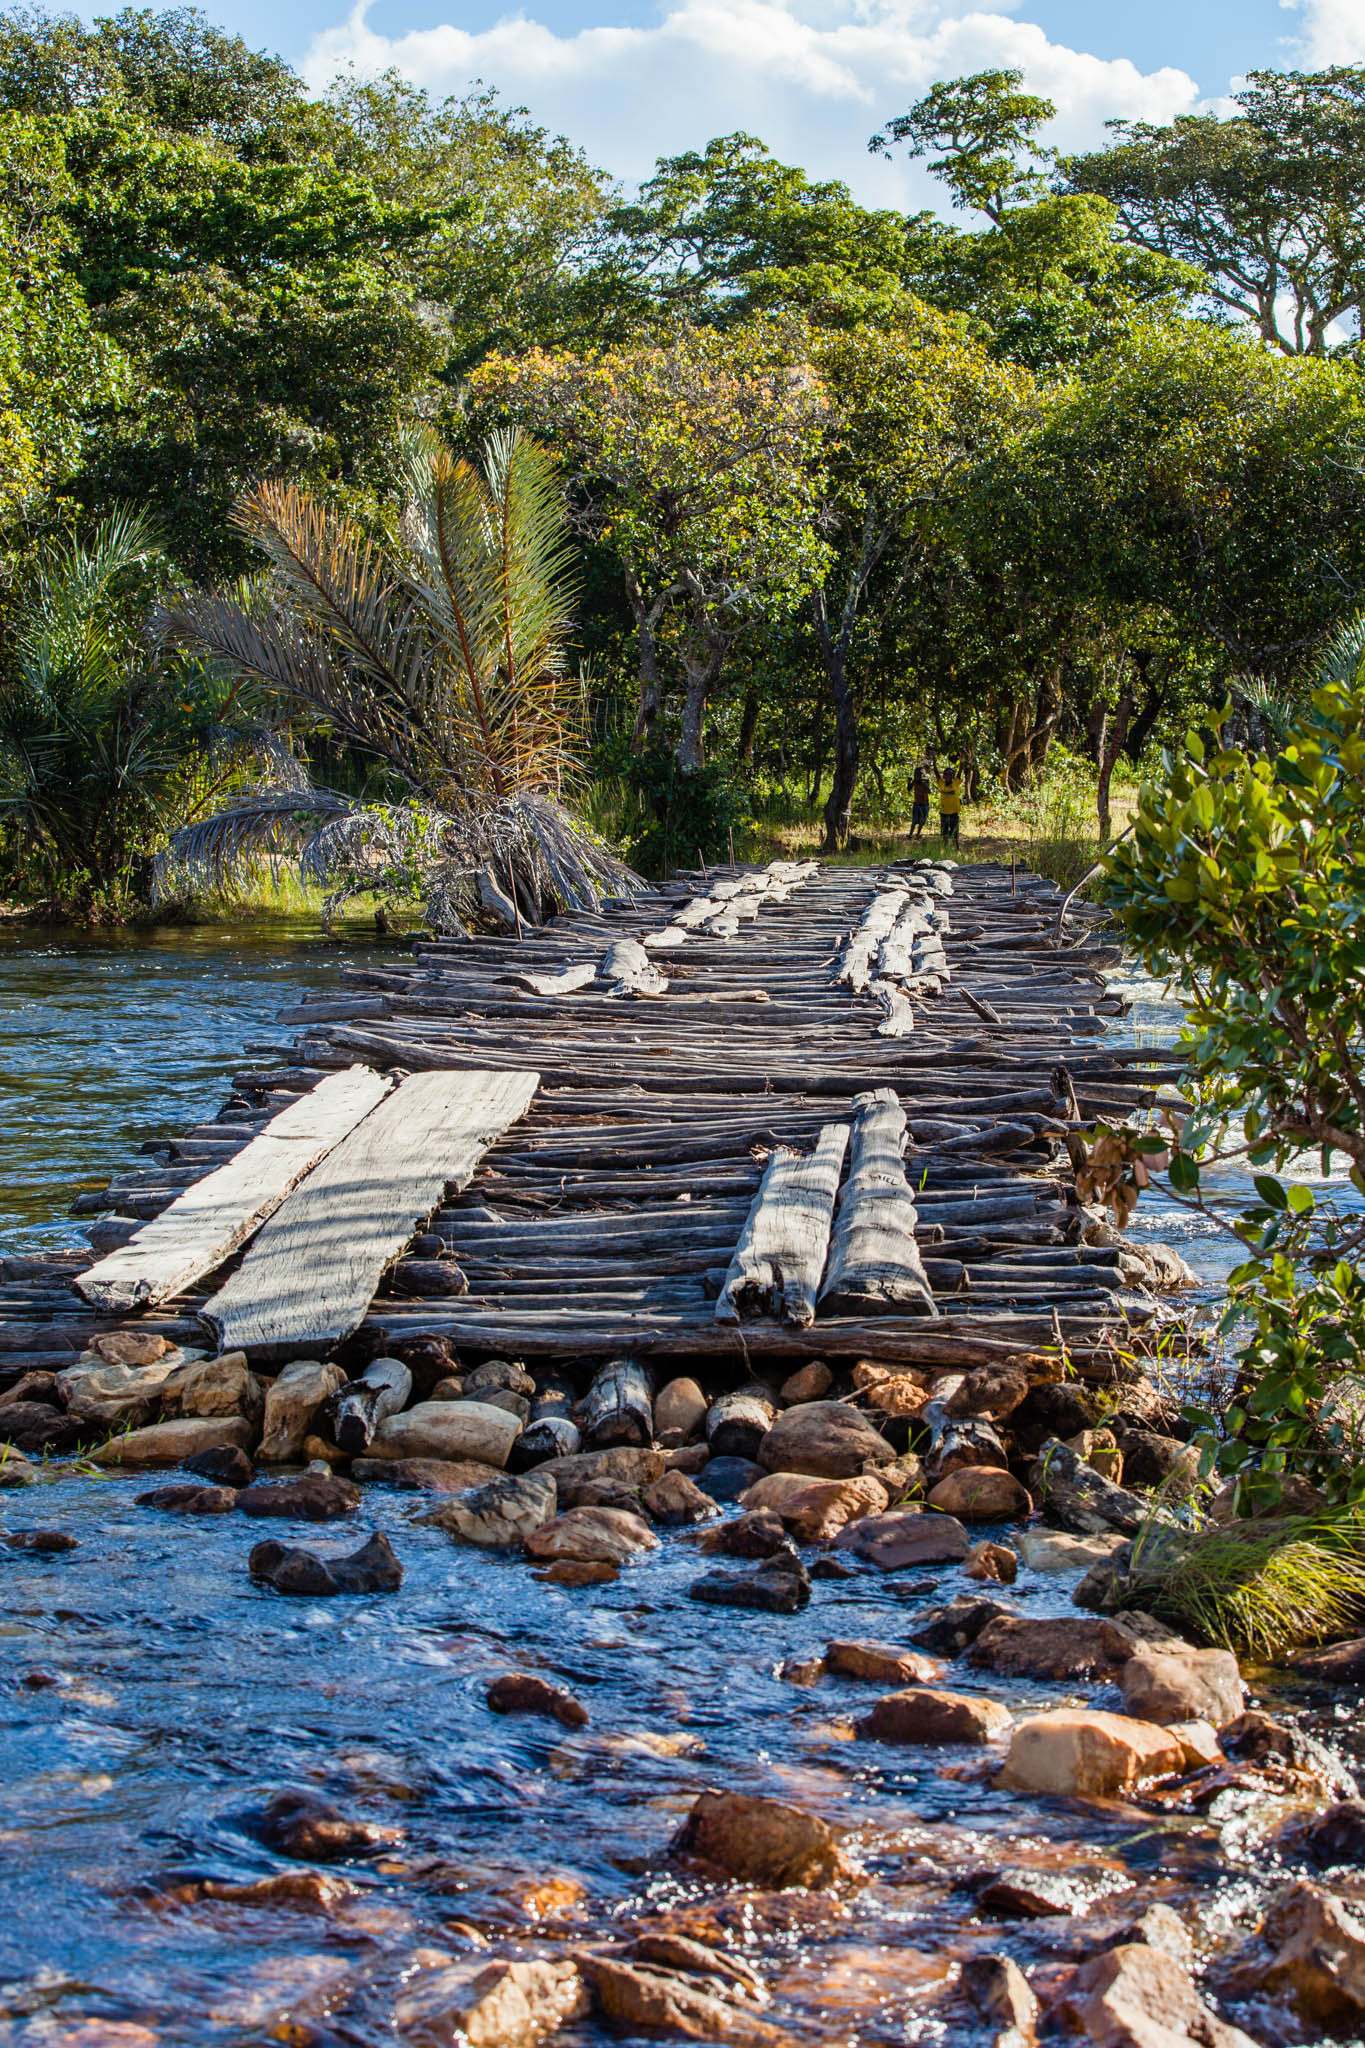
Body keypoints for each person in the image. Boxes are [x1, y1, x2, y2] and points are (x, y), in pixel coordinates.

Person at [936, 761, 961, 846]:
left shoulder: (955, 783)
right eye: (946, 775)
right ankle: (944, 848)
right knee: (944, 832)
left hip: (954, 812)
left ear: (953, 776)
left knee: (955, 831)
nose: (948, 777)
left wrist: (962, 762)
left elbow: (960, 773)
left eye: (950, 775)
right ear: (944, 776)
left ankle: (956, 847)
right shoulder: (941, 784)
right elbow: (936, 773)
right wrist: (934, 759)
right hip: (944, 812)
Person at [909, 762, 930, 838]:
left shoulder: (925, 781)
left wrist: (925, 784)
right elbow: (909, 789)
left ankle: (918, 834)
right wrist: (909, 782)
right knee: (914, 820)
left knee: (922, 821)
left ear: (922, 775)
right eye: (916, 775)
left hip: (924, 804)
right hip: (917, 803)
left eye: (920, 775)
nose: (918, 776)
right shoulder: (914, 781)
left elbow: (929, 791)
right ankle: (910, 834)